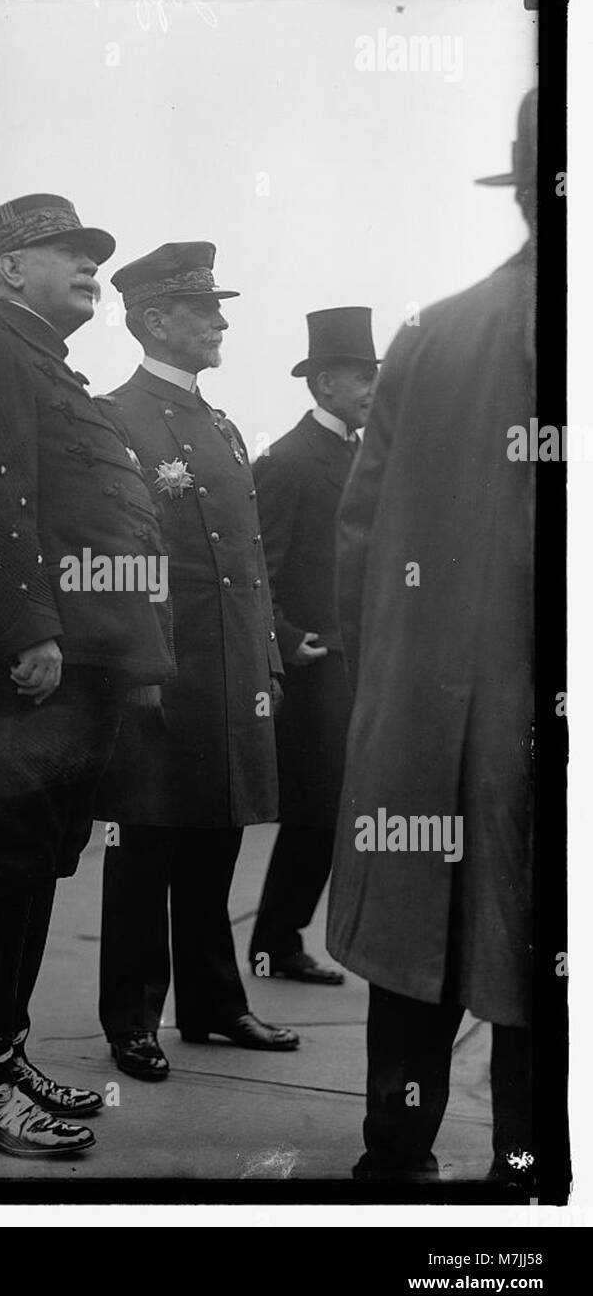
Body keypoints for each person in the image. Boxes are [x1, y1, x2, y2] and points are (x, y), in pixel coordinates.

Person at [0, 194, 175, 1157]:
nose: (90, 267)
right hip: (8, 664)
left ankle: (0, 1054)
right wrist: (31, 629)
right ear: (6, 268)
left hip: (69, 663)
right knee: (3, 872)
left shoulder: (50, 365)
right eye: (66, 251)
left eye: (93, 256)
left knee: (30, 871)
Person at [326, 89, 537, 1184]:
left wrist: (392, 689)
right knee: (539, 947)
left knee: (417, 945)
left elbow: (358, 542)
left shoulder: (428, 332)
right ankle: (531, 1175)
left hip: (416, 709)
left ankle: (394, 1156)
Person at [95, 241, 299, 1083]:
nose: (218, 321)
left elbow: (249, 562)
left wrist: (267, 658)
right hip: (164, 668)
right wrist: (138, 666)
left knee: (213, 841)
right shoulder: (114, 416)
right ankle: (132, 1018)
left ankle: (214, 1002)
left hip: (228, 670)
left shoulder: (217, 424)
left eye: (217, 307)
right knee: (144, 845)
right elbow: (115, 552)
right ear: (151, 320)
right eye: (202, 308)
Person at [249, 309, 379, 986]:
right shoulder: (288, 462)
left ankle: (280, 939)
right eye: (361, 377)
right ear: (325, 383)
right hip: (315, 668)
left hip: (354, 666)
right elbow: (256, 572)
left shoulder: (358, 453)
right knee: (317, 810)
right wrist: (286, 640)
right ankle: (276, 940)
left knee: (328, 810)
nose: (371, 389)